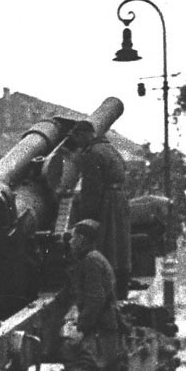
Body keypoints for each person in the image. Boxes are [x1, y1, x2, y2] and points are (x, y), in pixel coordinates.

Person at [58, 219, 129, 371]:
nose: (70, 242)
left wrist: (81, 328)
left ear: (81, 239)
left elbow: (96, 298)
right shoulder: (92, 259)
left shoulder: (91, 262)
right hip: (103, 326)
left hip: (101, 328)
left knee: (84, 370)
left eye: (73, 238)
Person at [59, 121, 131, 300]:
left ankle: (105, 291)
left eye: (77, 138)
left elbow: (91, 190)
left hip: (107, 204)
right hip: (119, 201)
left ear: (83, 135)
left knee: (106, 247)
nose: (77, 143)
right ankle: (121, 288)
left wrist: (87, 217)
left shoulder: (92, 154)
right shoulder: (109, 149)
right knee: (119, 248)